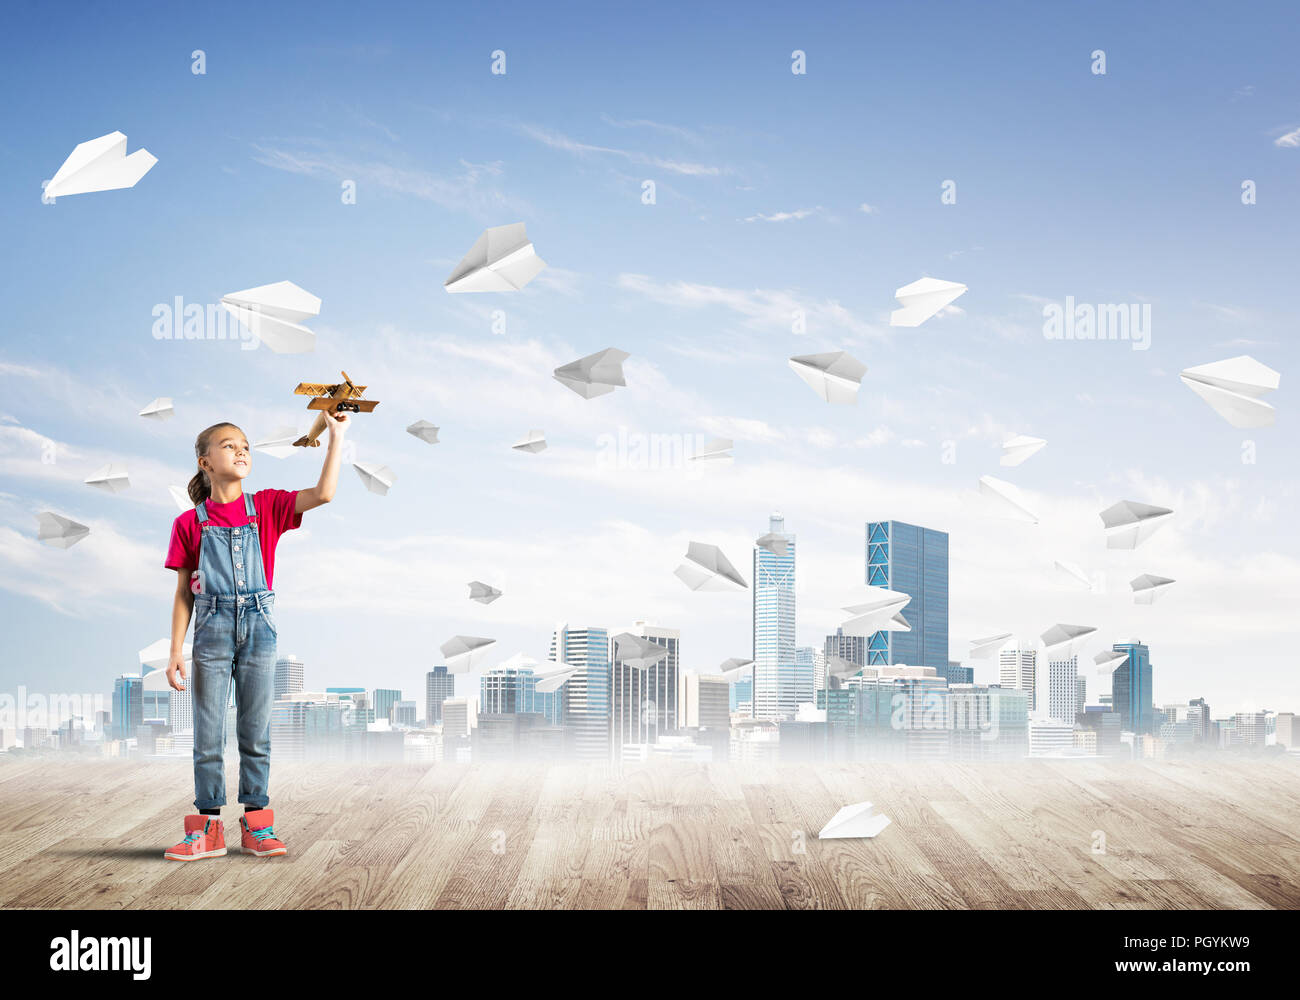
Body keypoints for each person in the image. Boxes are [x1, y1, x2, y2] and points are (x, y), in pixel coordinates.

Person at [161, 410, 348, 860]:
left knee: (255, 732)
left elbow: (324, 493)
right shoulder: (189, 523)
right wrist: (175, 651)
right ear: (205, 462)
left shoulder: (266, 507)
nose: (241, 449)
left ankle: (257, 825)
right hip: (211, 630)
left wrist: (336, 435)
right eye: (228, 444)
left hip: (259, 628)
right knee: (208, 733)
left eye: (244, 444)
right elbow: (185, 591)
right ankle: (206, 829)